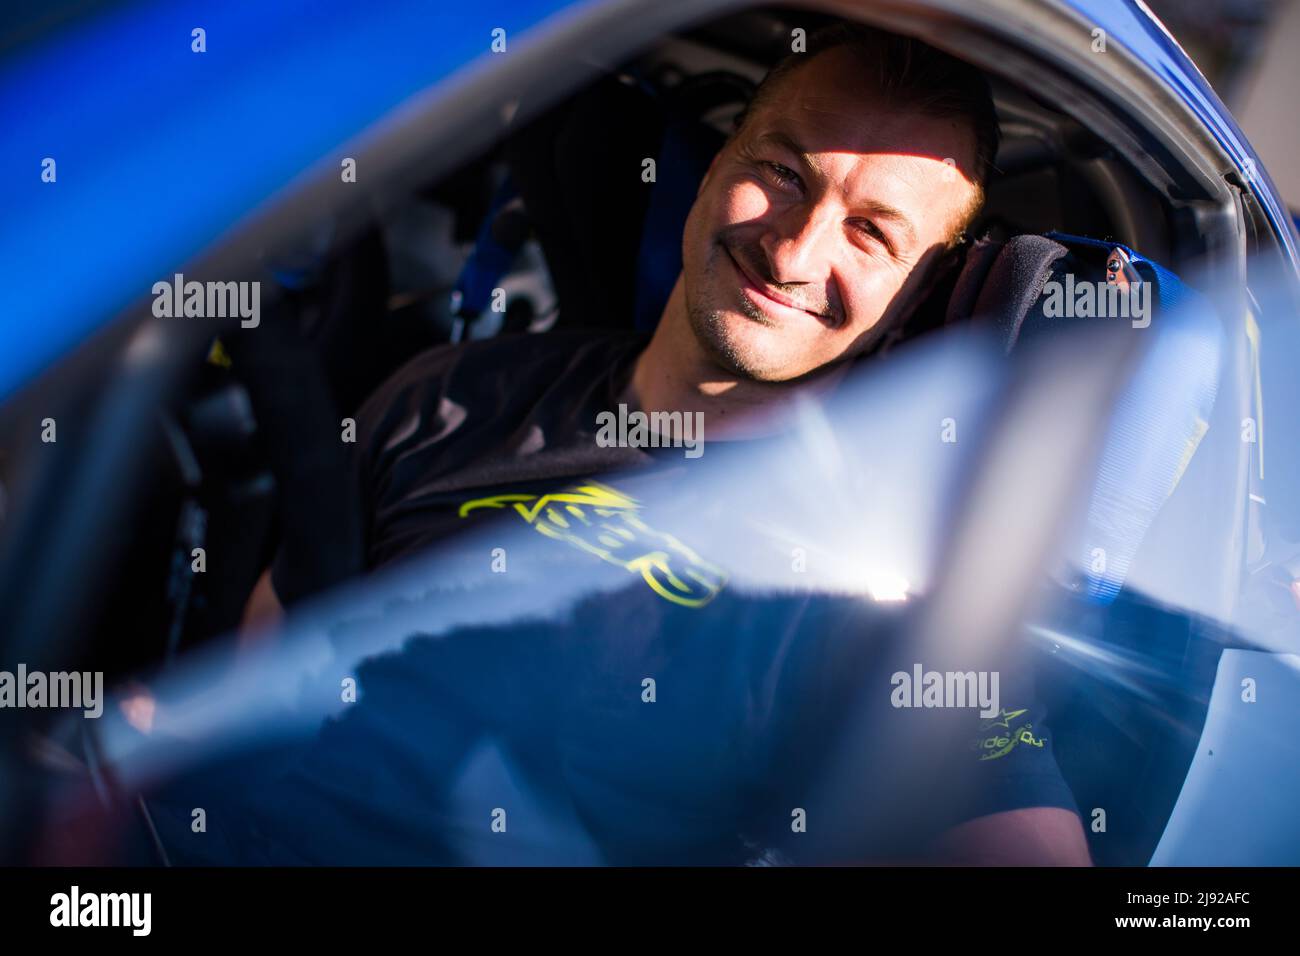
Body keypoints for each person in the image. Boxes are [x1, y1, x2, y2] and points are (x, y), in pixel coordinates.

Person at [237, 22, 1092, 865]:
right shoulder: (450, 392)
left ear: (917, 292)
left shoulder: (886, 574)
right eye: (782, 173)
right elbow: (261, 689)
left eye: (871, 232)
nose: (794, 249)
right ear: (711, 168)